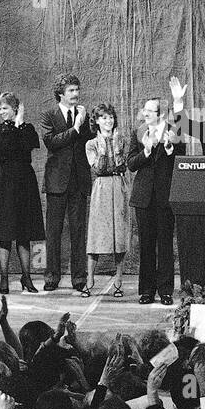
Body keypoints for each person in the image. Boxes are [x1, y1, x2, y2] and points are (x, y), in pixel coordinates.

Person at [127, 80, 186, 305]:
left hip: (165, 197)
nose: (145, 113)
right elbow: (131, 163)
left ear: (161, 115)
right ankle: (146, 291)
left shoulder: (174, 131)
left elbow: (181, 158)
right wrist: (147, 150)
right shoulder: (139, 131)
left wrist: (169, 148)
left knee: (165, 245)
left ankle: (166, 291)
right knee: (146, 246)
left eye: (149, 111)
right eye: (145, 110)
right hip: (143, 198)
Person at [0, 92, 44, 294]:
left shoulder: (28, 129)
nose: (2, 112)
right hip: (4, 182)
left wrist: (20, 125)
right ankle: (4, 278)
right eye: (0, 109)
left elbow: (30, 145)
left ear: (15, 109)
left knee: (24, 233)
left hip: (24, 181)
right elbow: (3, 148)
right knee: (5, 233)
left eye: (5, 108)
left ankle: (27, 277)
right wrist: (14, 127)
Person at [40, 73, 94, 292]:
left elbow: (89, 141)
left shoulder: (83, 114)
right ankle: (51, 276)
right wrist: (76, 128)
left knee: (78, 230)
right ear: (60, 94)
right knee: (53, 231)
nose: (76, 94)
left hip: (78, 180)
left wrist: (86, 126)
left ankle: (79, 278)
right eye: (71, 90)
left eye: (77, 90)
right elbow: (51, 143)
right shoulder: (49, 115)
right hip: (56, 182)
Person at [83, 104, 129, 298]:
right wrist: (103, 146)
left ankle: (118, 280)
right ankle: (90, 279)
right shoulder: (91, 144)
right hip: (101, 188)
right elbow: (100, 168)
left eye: (110, 117)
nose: (108, 121)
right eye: (103, 118)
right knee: (97, 235)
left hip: (118, 187)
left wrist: (115, 146)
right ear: (97, 122)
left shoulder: (122, 141)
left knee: (119, 233)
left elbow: (121, 166)